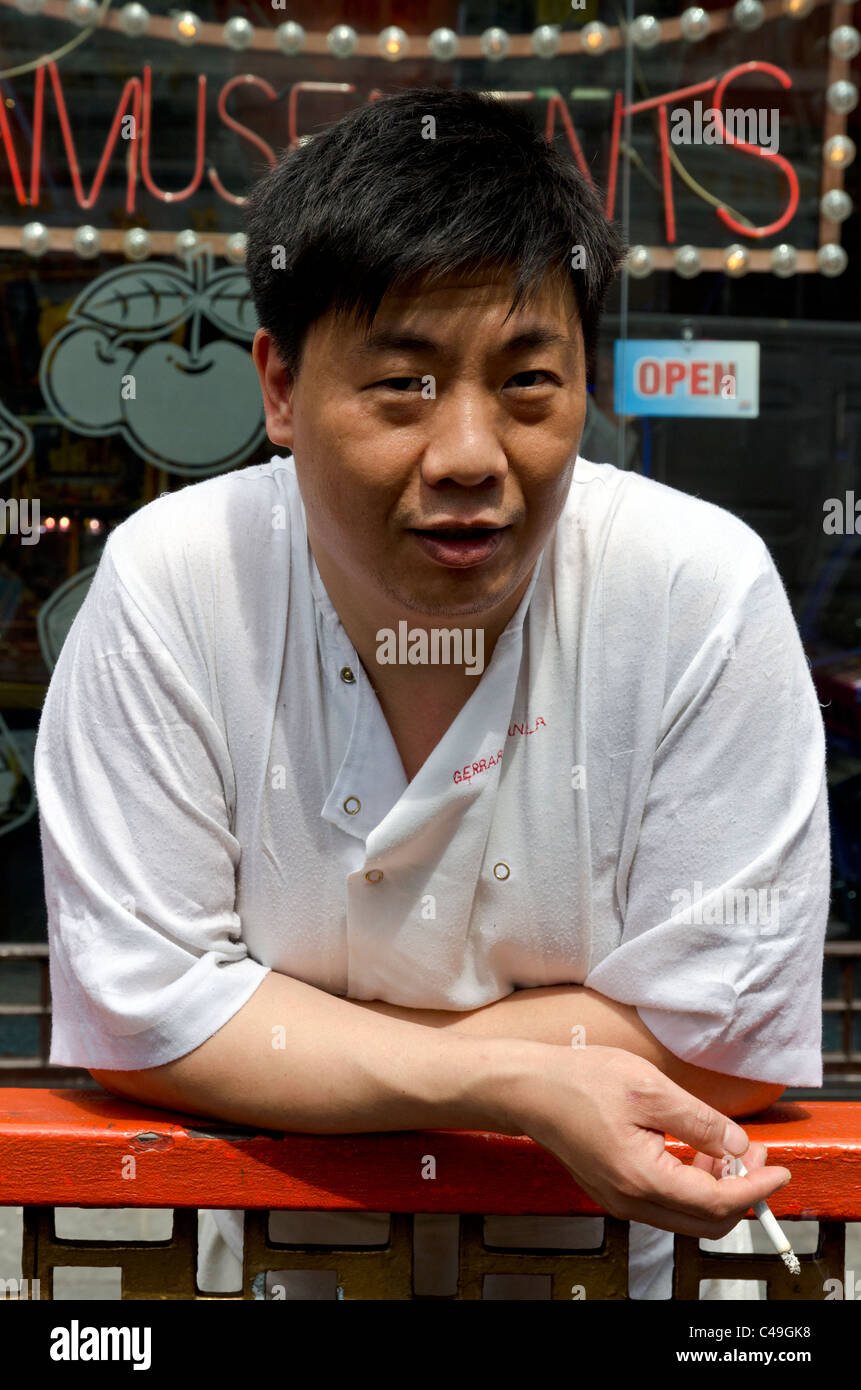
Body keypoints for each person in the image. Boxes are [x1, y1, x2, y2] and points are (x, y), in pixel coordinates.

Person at [34, 87, 828, 1301]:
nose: (469, 454)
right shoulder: (179, 581)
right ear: (282, 390)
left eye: (526, 384)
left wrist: (275, 1031)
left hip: (608, 1277)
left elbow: (723, 1041)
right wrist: (517, 1074)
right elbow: (138, 1014)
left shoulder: (694, 588)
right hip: (269, 1271)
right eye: (404, 384)